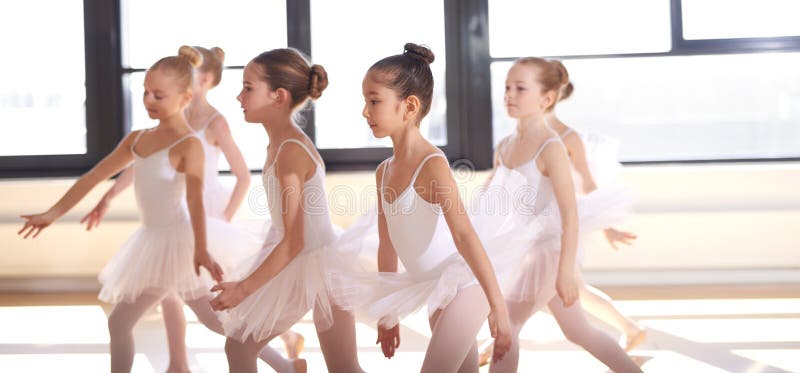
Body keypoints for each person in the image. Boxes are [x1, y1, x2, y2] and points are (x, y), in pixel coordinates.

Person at [18, 46, 237, 373]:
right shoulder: (137, 139)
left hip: (179, 244)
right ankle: (288, 365)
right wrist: (52, 213)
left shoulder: (190, 144)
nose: (149, 101)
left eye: (158, 95)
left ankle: (284, 363)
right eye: (146, 92)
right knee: (120, 322)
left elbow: (194, 200)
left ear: (186, 98)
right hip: (151, 243)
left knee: (215, 323)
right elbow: (94, 176)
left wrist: (202, 249)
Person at [328, 43, 513, 372]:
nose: (365, 112)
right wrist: (388, 312)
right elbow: (388, 245)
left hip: (465, 286)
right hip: (436, 290)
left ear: (409, 106)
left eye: (374, 101)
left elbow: (465, 235)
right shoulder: (384, 171)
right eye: (365, 101)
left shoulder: (431, 164)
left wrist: (497, 305)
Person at [482, 57, 642, 373]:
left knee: (508, 327)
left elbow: (571, 214)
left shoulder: (552, 146)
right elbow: (492, 197)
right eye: (507, 87)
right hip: (522, 250)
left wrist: (567, 271)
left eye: (520, 88)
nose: (509, 95)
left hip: (548, 253)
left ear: (547, 99)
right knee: (578, 330)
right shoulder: (504, 146)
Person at [208, 48, 363, 373]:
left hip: (319, 265)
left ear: (278, 96)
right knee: (239, 347)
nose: (239, 96)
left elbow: (295, 241)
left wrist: (244, 288)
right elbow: (284, 228)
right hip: (303, 258)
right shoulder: (278, 145)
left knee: (342, 367)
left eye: (248, 87)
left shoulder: (291, 151)